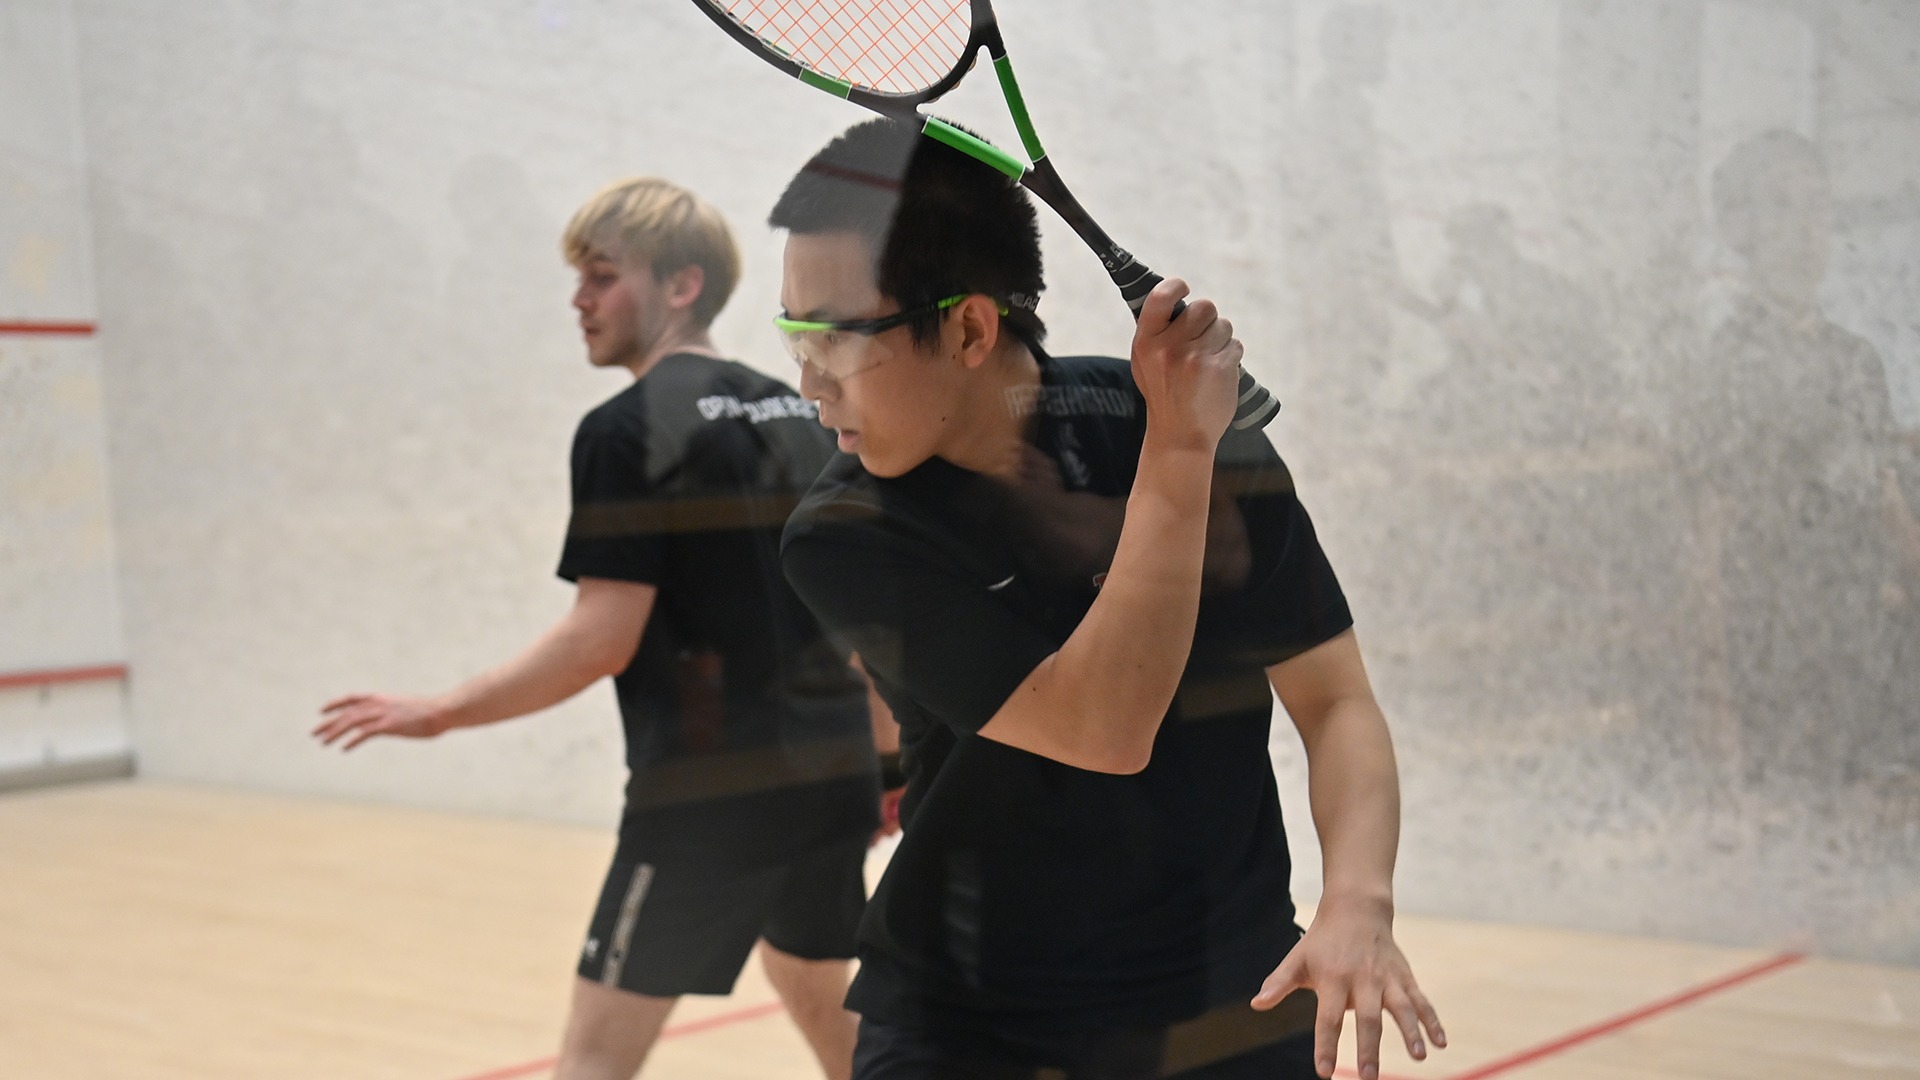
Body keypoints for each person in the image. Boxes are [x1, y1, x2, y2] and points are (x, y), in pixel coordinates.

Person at [768, 119, 1444, 1080]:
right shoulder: (845, 532)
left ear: (968, 327)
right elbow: (1102, 726)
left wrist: (1357, 906)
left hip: (1231, 995)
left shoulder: (1183, 424)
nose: (809, 384)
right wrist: (1179, 452)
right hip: (968, 1025)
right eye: (795, 337)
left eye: (833, 340)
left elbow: (1335, 699)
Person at [314, 176, 896, 1080]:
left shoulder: (627, 430)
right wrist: (889, 757)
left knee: (591, 1061)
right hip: (832, 779)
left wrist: (439, 712)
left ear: (681, 286)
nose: (578, 299)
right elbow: (864, 619)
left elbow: (601, 637)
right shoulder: (804, 417)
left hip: (705, 801)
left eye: (600, 276)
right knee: (830, 1009)